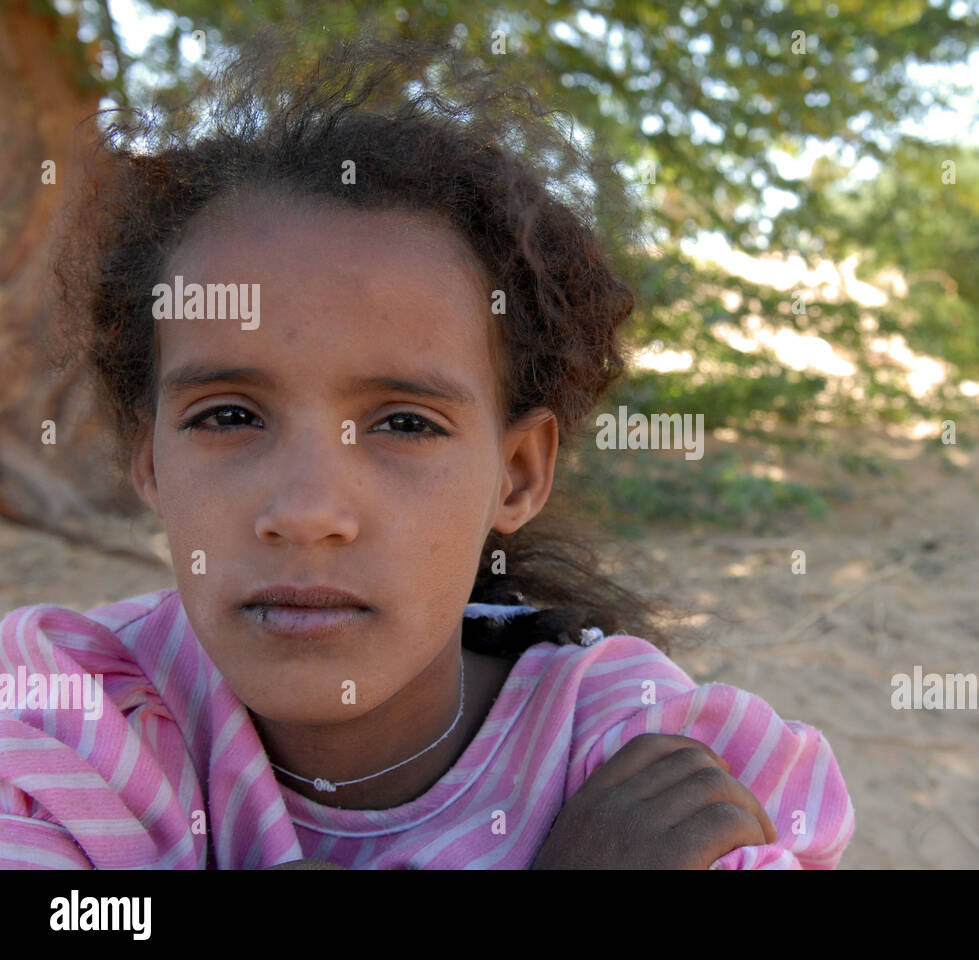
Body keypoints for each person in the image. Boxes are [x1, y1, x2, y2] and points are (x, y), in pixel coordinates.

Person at [0, 30, 854, 869]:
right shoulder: (65, 716)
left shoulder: (653, 762)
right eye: (229, 416)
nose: (306, 512)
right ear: (149, 458)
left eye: (404, 423)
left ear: (516, 475)